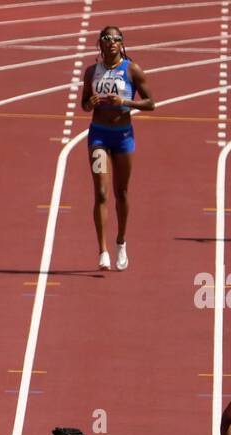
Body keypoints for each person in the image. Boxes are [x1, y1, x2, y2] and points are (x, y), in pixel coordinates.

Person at [79, 26, 154, 271]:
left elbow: (151, 103)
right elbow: (84, 105)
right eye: (107, 39)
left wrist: (126, 102)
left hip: (122, 137)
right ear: (99, 44)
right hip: (98, 136)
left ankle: (121, 241)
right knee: (100, 193)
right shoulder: (91, 72)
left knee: (120, 192)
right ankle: (103, 251)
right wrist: (89, 104)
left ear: (122, 44)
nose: (112, 42)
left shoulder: (132, 70)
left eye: (117, 39)